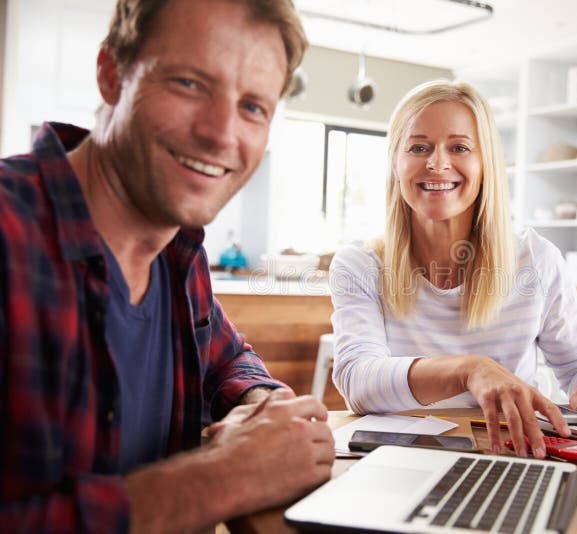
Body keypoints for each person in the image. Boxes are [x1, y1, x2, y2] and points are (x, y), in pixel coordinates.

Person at [0, 0, 334, 532]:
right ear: (112, 75)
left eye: (253, 107)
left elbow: (228, 360)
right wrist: (225, 476)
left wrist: (262, 407)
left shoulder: (178, 252)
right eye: (189, 83)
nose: (222, 134)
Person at [329, 79, 577, 459]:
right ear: (395, 164)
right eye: (418, 147)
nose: (437, 163)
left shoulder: (536, 259)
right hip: (399, 458)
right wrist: (468, 370)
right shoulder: (360, 263)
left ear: (486, 163)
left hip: (512, 454)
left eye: (459, 148)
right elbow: (358, 381)